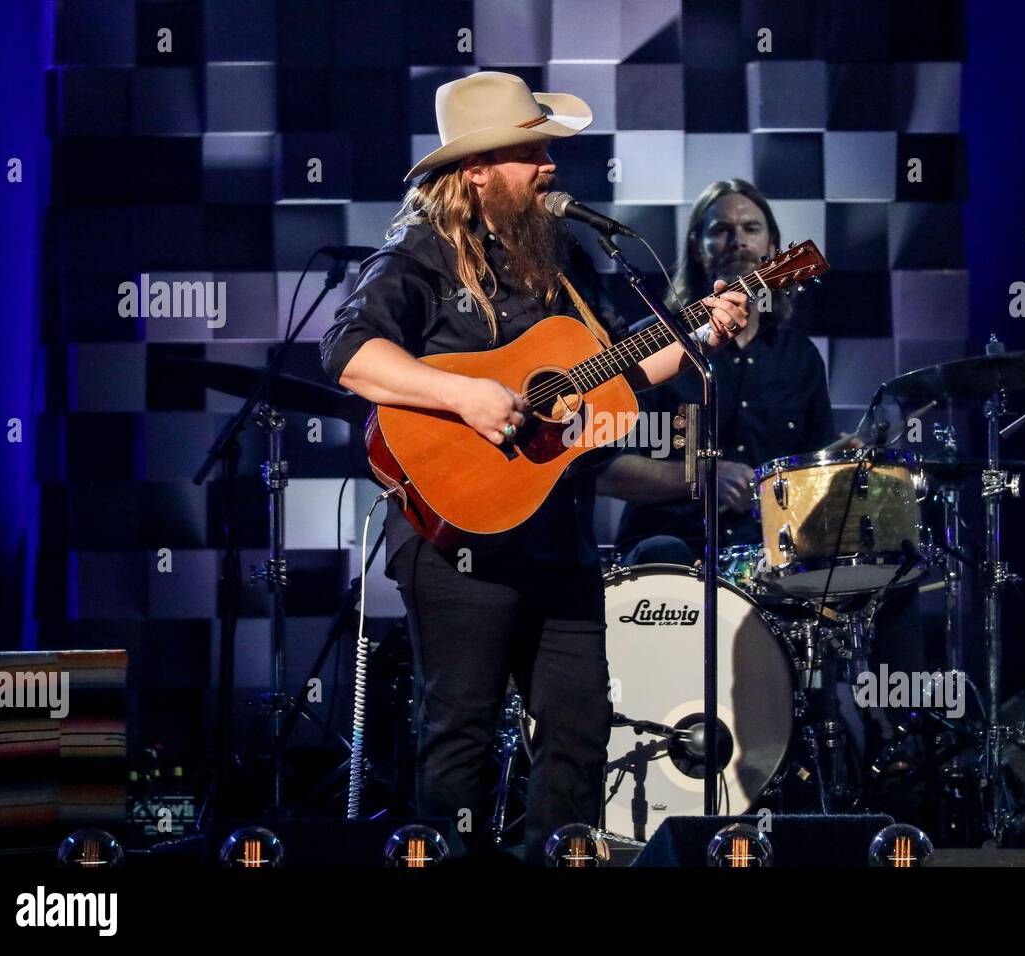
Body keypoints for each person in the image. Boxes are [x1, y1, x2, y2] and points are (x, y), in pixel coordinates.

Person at [318, 72, 749, 863]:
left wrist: (701, 335)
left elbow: (618, 368)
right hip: (459, 542)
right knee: (462, 736)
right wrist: (466, 397)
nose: (550, 166)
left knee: (581, 729)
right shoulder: (420, 255)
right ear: (476, 170)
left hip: (557, 535)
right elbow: (350, 355)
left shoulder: (562, 260)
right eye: (530, 152)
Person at [597, 179, 837, 566]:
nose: (738, 241)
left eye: (751, 229)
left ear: (773, 248)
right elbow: (605, 473)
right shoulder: (650, 343)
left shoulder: (801, 358)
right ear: (697, 245)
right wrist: (701, 475)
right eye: (721, 230)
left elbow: (813, 475)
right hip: (665, 559)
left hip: (768, 565)